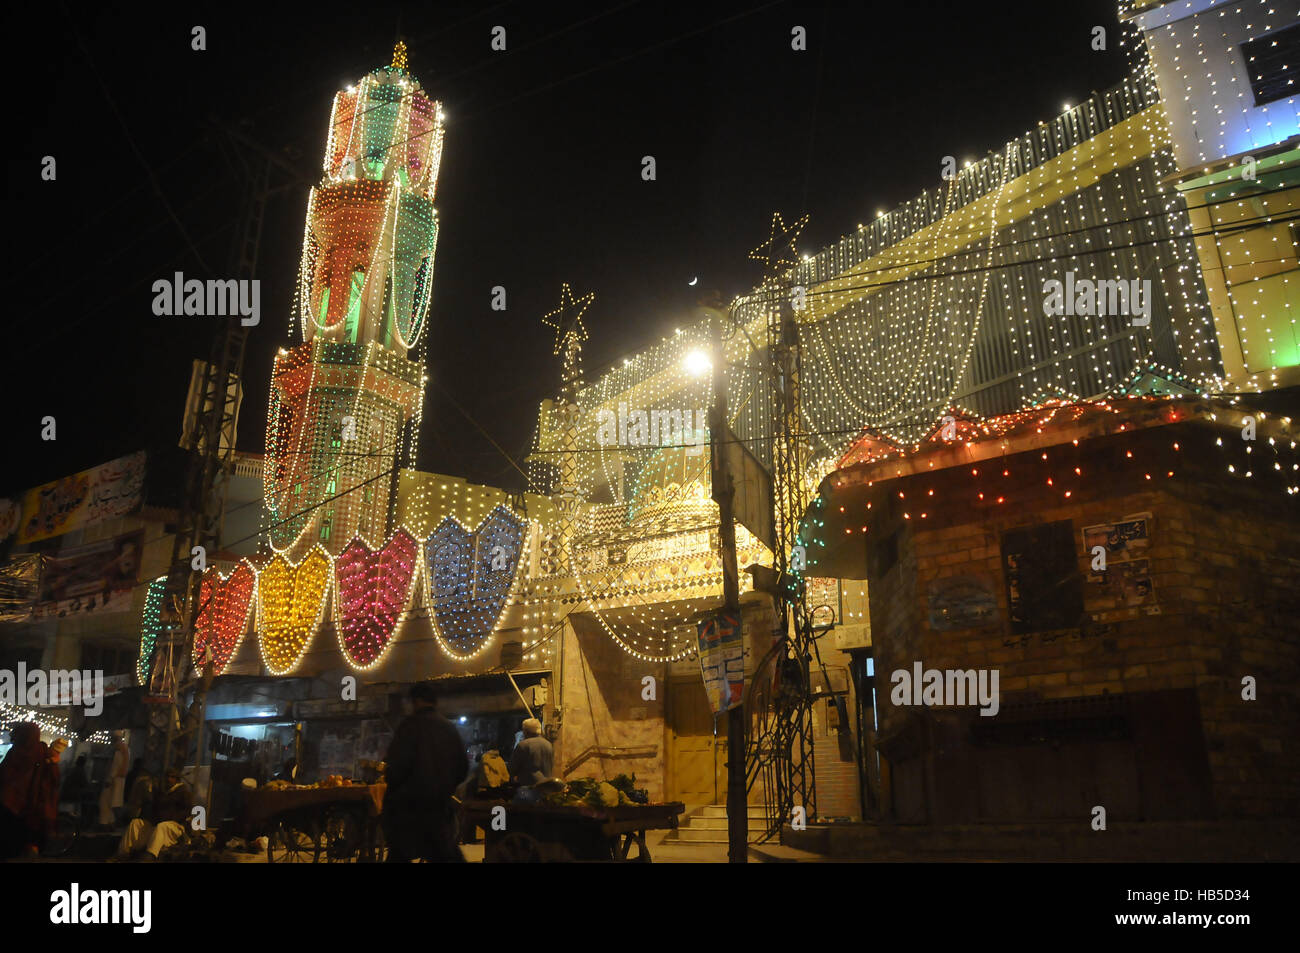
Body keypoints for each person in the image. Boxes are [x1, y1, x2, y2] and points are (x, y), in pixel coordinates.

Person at [383, 682, 468, 862]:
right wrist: (446, 787)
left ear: (416, 701)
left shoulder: (409, 727)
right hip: (438, 807)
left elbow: (396, 766)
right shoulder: (448, 728)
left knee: (400, 853)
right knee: (444, 853)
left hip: (408, 808)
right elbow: (462, 768)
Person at [0, 723, 66, 859]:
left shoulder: (15, 752)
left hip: (10, 805)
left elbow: (4, 774)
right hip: (34, 806)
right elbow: (54, 780)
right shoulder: (44, 752)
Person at [113, 768, 191, 862]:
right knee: (136, 823)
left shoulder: (183, 792)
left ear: (177, 779)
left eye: (172, 777)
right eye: (167, 776)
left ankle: (150, 855)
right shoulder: (161, 792)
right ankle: (123, 853)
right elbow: (153, 810)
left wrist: (169, 817)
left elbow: (186, 812)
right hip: (158, 823)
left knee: (162, 826)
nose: (169, 779)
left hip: (174, 826)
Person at [508, 718, 553, 787]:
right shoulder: (548, 744)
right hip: (545, 786)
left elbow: (512, 768)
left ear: (526, 731)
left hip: (529, 787)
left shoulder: (523, 745)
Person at [98, 731, 129, 826]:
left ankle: (106, 824)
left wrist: (110, 778)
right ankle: (110, 823)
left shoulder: (119, 749)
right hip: (115, 780)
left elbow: (115, 766)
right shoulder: (123, 749)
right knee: (109, 804)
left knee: (105, 802)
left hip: (113, 780)